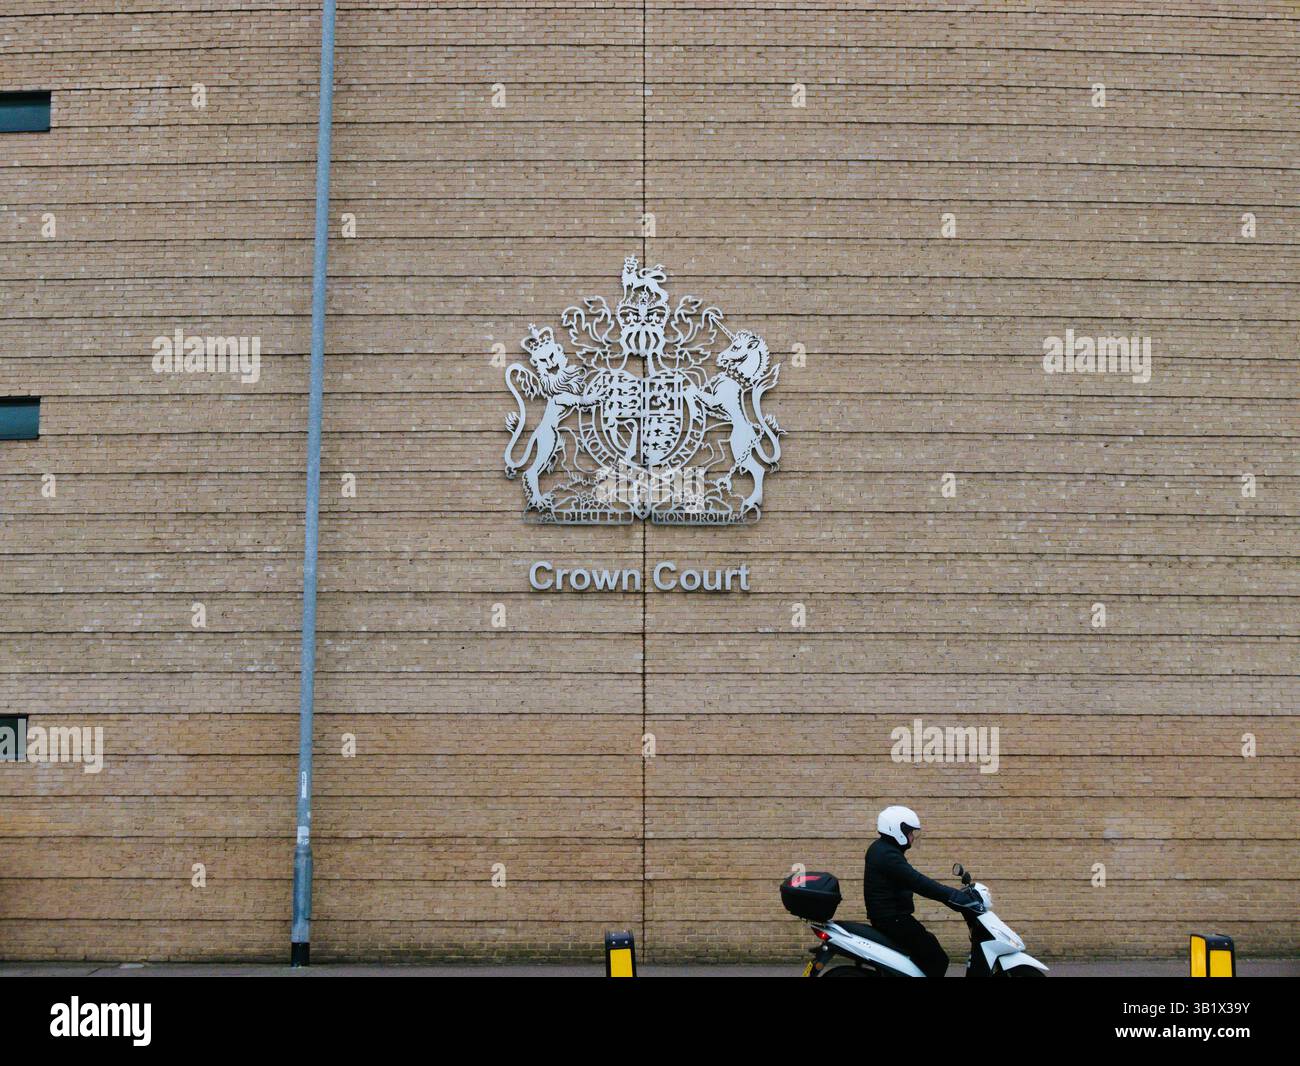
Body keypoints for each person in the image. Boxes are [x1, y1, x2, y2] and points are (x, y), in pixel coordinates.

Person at [864, 805, 974, 978]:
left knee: (925, 951)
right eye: (910, 832)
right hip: (893, 919)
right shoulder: (887, 855)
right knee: (937, 959)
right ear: (897, 830)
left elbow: (914, 880)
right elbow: (918, 882)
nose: (913, 837)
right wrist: (953, 896)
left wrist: (952, 896)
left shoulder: (883, 849)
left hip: (890, 917)